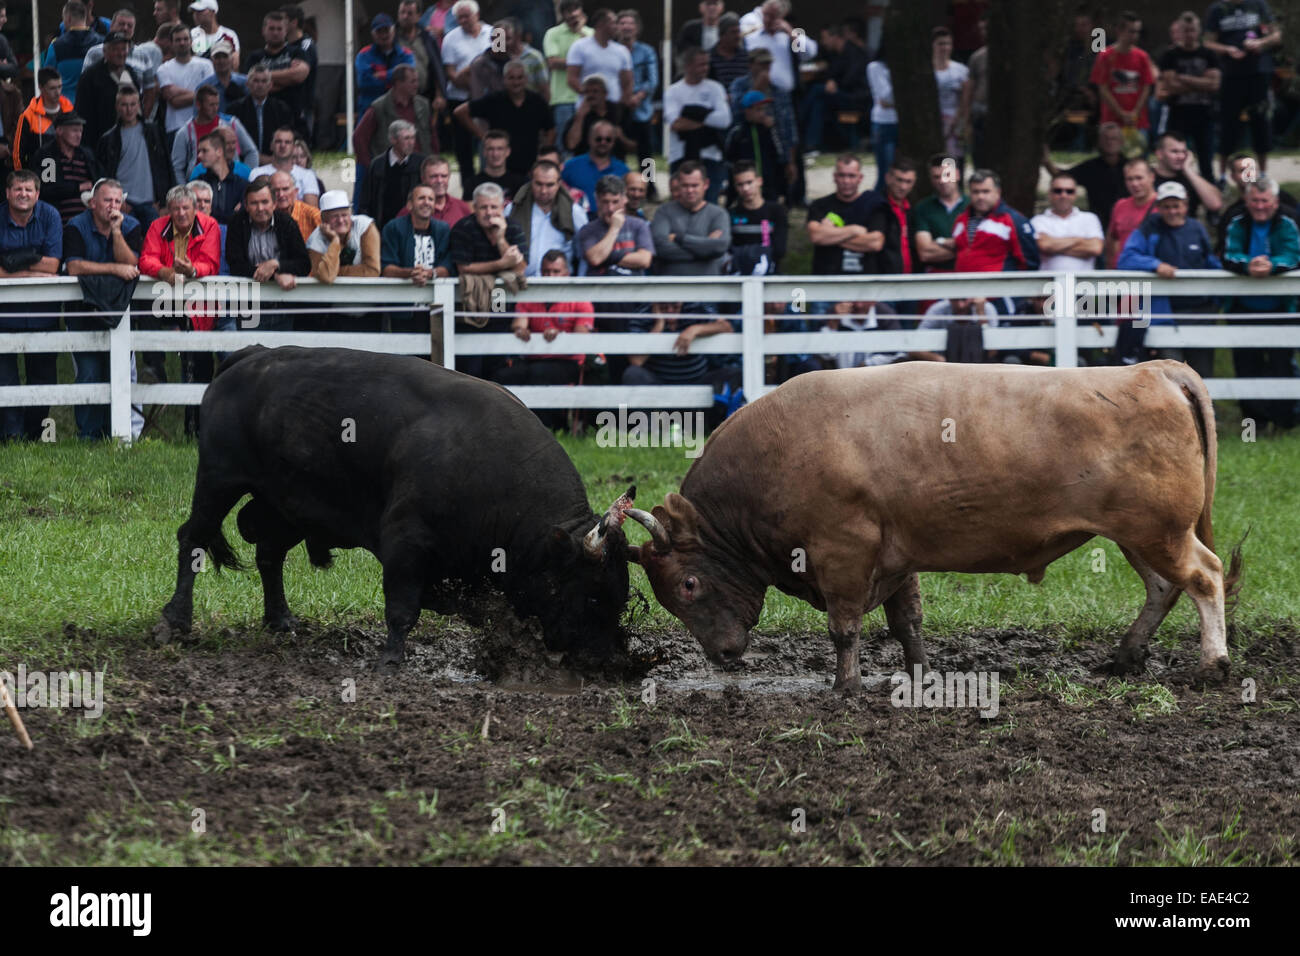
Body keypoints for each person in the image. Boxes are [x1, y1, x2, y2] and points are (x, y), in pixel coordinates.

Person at [62, 177, 143, 439]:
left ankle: (120, 433)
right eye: (107, 200)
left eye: (118, 201)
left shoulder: (130, 226)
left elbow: (132, 265)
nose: (113, 206)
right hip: (82, 312)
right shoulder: (75, 226)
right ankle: (89, 436)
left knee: (121, 370)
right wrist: (113, 269)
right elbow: (74, 266)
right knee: (88, 372)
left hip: (119, 313)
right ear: (93, 203)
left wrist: (117, 231)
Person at [1221, 175, 1299, 431]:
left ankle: (1284, 425)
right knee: (1246, 366)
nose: (1260, 206)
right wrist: (1248, 264)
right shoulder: (1236, 222)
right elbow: (1228, 253)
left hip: (1280, 307)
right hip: (1243, 307)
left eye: (1265, 201)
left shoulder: (1288, 222)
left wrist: (1273, 265)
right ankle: (1251, 429)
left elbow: (1293, 253)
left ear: (1275, 201)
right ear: (1246, 200)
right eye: (1255, 200)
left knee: (1281, 365)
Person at [1117, 181, 1221, 371]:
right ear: (1158, 207)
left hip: (1199, 310)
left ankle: (1204, 402)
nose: (1172, 211)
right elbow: (1126, 258)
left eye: (1176, 205)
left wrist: (1219, 296)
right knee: (1171, 372)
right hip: (1164, 312)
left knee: (1201, 369)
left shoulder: (1196, 228)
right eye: (1166, 206)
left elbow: (1210, 261)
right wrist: (1155, 265)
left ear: (1185, 206)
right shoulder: (1149, 228)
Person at [495, 248, 594, 430]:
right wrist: (520, 329)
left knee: (540, 374)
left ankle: (549, 428)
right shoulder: (531, 297)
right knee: (504, 376)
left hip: (568, 362)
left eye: (556, 272)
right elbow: (519, 323)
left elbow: (582, 338)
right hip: (534, 359)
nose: (551, 276)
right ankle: (511, 428)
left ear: (566, 273)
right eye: (547, 272)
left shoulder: (579, 299)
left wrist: (561, 335)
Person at [0, 169, 62, 441]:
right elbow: (44, 266)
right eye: (17, 189)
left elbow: (53, 264)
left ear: (37, 194)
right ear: (7, 193)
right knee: (4, 378)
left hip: (43, 314)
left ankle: (36, 436)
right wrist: (32, 268)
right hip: (4, 316)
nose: (23, 194)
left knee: (44, 377)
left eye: (28, 190)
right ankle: (10, 436)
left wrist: (11, 262)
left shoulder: (50, 216)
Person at [449, 181, 528, 379]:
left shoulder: (513, 227)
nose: (489, 212)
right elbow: (464, 268)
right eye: (483, 207)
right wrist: (502, 264)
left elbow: (520, 268)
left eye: (494, 207)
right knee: (471, 372)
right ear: (474, 208)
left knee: (499, 371)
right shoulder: (463, 228)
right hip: (471, 309)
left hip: (501, 305)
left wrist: (501, 238)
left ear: (502, 208)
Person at [1204, 0, 1281, 173]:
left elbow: (1276, 35)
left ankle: (1262, 175)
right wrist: (1227, 49)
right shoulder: (1218, 9)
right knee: (1228, 126)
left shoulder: (1259, 5)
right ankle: (1223, 176)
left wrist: (1260, 43)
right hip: (1231, 75)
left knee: (1261, 122)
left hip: (1258, 72)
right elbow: (1208, 42)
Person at [225, 176, 310, 329]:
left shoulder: (287, 223)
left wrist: (275, 264)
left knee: (283, 351)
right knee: (250, 351)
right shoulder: (237, 223)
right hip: (248, 302)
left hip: (282, 301)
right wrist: (274, 275)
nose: (260, 208)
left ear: (274, 204)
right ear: (246, 205)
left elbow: (304, 263)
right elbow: (235, 265)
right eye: (254, 203)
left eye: (265, 202)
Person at [96, 85, 172, 232]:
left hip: (152, 204)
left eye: (132, 104)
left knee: (156, 247)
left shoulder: (154, 132)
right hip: (124, 204)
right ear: (117, 106)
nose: (129, 109)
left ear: (139, 105)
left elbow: (166, 167)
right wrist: (117, 201)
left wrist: (164, 203)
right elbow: (103, 174)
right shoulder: (108, 139)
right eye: (124, 105)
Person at [457, 59, 554, 173]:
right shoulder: (494, 100)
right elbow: (460, 112)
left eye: (520, 77)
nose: (516, 82)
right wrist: (483, 137)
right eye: (511, 78)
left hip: (530, 165)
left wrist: (543, 155)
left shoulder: (537, 101)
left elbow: (551, 129)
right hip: (500, 166)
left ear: (526, 79)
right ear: (504, 80)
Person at [1158, 12, 1221, 179]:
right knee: (1175, 159)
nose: (1189, 34)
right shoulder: (1169, 56)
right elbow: (1171, 86)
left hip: (1204, 114)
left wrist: (1184, 78)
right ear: (1179, 31)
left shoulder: (1209, 55)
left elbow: (1214, 85)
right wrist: (1202, 83)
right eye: (1185, 30)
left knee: (1206, 159)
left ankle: (1209, 194)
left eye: (1192, 30)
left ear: (1198, 31)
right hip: (1178, 114)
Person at [665, 47, 731, 202]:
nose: (705, 68)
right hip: (680, 155)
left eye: (707, 64)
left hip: (711, 155)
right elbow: (675, 123)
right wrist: (707, 116)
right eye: (701, 65)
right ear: (688, 66)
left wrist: (692, 114)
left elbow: (724, 120)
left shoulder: (715, 88)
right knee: (681, 202)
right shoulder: (673, 91)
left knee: (710, 202)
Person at [624, 300, 735, 388]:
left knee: (734, 373)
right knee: (633, 374)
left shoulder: (695, 307)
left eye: (675, 305)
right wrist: (658, 325)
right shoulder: (643, 314)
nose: (670, 310)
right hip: (658, 383)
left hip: (697, 380)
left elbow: (726, 327)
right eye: (664, 307)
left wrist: (695, 330)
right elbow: (636, 361)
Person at [952, 169, 1040, 279]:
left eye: (986, 191)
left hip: (1000, 291)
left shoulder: (1013, 220)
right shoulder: (961, 219)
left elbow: (1029, 263)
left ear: (998, 192)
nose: (980, 197)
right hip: (961, 290)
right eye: (976, 192)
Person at [440, 1, 493, 180]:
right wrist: (473, 86)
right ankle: (468, 188)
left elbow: (503, 64)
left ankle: (492, 179)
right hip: (460, 97)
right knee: (464, 147)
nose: (463, 20)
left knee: (491, 141)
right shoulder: (450, 38)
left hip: (489, 96)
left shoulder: (496, 32)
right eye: (459, 18)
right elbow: (451, 74)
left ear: (477, 14)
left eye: (466, 16)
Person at [1042, 122, 1127, 233]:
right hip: (1100, 224)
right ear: (1099, 142)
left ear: (1121, 142)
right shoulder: (1090, 167)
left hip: (1127, 223)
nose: (1110, 142)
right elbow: (1062, 177)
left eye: (1113, 138)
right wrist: (1047, 161)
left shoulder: (1129, 168)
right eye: (1106, 138)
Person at [508, 157, 587, 276]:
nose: (543, 190)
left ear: (559, 184)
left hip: (560, 286)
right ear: (531, 181)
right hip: (520, 283)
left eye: (549, 185)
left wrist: (581, 283)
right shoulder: (513, 209)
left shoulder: (574, 212)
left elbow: (584, 252)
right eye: (538, 184)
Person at [806, 153, 878, 283]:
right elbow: (816, 236)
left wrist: (830, 235)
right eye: (842, 175)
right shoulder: (819, 205)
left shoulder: (873, 206)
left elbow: (875, 243)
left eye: (851, 176)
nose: (846, 181)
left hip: (863, 287)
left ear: (860, 178)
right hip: (826, 285)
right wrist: (854, 230)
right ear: (834, 177)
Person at [1088, 10, 1156, 149]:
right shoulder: (1105, 56)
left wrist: (1135, 112)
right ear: (1119, 31)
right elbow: (1103, 88)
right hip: (1112, 121)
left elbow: (1146, 87)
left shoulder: (1142, 56)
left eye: (1137, 32)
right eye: (1131, 31)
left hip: (1137, 121)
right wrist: (1121, 113)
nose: (1135, 36)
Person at [651, 161, 730, 277]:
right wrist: (705, 250)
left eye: (694, 185)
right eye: (685, 185)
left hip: (709, 287)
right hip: (669, 287)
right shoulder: (663, 212)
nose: (690, 190)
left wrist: (680, 238)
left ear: (706, 184)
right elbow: (660, 248)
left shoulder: (718, 214)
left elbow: (719, 247)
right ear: (678, 185)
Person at [243, 11, 312, 141]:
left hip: (294, 116)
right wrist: (288, 78)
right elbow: (252, 85)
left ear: (286, 31)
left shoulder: (297, 52)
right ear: (264, 30)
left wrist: (263, 78)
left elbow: (299, 75)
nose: (275, 32)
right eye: (271, 28)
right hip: (264, 117)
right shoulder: (254, 57)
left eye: (279, 29)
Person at [170, 84, 257, 184]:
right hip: (198, 183)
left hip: (230, 181)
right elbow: (177, 167)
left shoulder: (231, 123)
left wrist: (244, 176)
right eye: (211, 105)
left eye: (217, 104)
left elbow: (252, 151)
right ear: (198, 105)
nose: (215, 108)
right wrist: (185, 191)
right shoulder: (185, 132)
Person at [355, 64, 435, 171]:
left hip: (419, 168)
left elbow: (433, 137)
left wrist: (433, 162)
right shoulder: (379, 107)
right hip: (390, 170)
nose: (417, 85)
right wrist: (371, 166)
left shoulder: (423, 105)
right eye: (412, 81)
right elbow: (359, 137)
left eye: (417, 81)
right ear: (398, 83)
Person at [576, 172, 653, 277]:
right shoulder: (588, 229)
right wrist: (614, 228)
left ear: (624, 199)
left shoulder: (639, 225)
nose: (610, 208)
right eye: (605, 202)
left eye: (615, 202)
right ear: (597, 201)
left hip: (632, 289)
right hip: (598, 290)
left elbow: (644, 260)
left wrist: (606, 256)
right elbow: (595, 259)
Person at [77, 31, 145, 147]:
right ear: (105, 52)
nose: (121, 53)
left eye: (124, 49)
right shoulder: (90, 77)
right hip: (101, 143)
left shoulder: (131, 73)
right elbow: (82, 114)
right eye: (115, 49)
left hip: (130, 141)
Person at [32, 112, 101, 225]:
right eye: (74, 130)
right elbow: (48, 189)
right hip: (58, 223)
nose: (79, 135)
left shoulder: (87, 155)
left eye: (80, 131)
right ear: (59, 131)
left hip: (89, 223)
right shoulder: (48, 156)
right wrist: (78, 188)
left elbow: (100, 181)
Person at [542, 0, 591, 151]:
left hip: (587, 98)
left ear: (582, 11)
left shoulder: (591, 34)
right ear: (563, 15)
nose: (573, 14)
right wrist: (580, 61)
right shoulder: (552, 33)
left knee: (588, 141)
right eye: (568, 11)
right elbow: (553, 62)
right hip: (563, 99)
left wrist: (581, 33)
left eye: (576, 9)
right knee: (563, 144)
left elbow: (593, 58)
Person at [381, 183, 453, 285]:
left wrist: (430, 273)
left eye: (431, 199)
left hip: (436, 295)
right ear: (409, 205)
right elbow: (387, 269)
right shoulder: (393, 228)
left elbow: (447, 268)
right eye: (421, 198)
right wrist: (411, 273)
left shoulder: (443, 229)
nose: (426, 202)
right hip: (402, 295)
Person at [1030, 172, 1104, 273]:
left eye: (1069, 191)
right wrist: (1079, 240)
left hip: (1084, 285)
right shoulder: (1037, 221)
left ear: (1075, 194)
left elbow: (1095, 248)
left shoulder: (1090, 218)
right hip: (1047, 285)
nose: (1063, 195)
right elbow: (1044, 246)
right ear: (1050, 193)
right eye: (1058, 191)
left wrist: (1054, 247)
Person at [724, 90, 788, 203]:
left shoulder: (769, 129)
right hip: (745, 187)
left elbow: (779, 155)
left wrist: (771, 129)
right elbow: (729, 160)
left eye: (764, 109)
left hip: (768, 185)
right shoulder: (738, 132)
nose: (763, 113)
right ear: (747, 111)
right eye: (758, 109)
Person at [359, 119, 426, 226]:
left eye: (413, 138)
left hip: (412, 225)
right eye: (406, 138)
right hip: (382, 225)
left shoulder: (421, 163)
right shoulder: (377, 165)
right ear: (393, 140)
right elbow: (366, 200)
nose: (411, 143)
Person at [617, 8, 656, 185]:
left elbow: (653, 80)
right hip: (618, 108)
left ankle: (649, 186)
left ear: (637, 28)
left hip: (641, 109)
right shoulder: (613, 50)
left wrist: (637, 96)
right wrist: (623, 97)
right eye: (622, 23)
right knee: (618, 150)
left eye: (630, 23)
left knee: (646, 153)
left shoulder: (647, 51)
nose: (626, 27)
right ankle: (619, 184)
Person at [308, 190, 381, 284]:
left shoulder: (365, 227)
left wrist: (335, 271)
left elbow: (372, 271)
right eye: (334, 216)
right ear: (323, 220)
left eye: (344, 215)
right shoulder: (315, 240)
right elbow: (327, 276)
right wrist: (335, 241)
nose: (341, 220)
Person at [565, 8, 632, 108]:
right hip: (587, 107)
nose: (617, 27)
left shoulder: (622, 51)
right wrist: (591, 97)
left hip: (613, 108)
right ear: (601, 24)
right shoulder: (579, 47)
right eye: (613, 23)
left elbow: (627, 83)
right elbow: (572, 79)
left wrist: (622, 106)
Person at [727, 160, 786, 274]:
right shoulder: (731, 213)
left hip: (770, 275)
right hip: (738, 275)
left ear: (759, 181)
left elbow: (780, 250)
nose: (745, 188)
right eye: (740, 184)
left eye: (749, 182)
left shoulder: (776, 211)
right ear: (735, 186)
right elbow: (728, 249)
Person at [467, 17, 548, 101]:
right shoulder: (480, 64)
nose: (503, 43)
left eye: (508, 39)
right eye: (499, 38)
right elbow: (477, 95)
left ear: (514, 40)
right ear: (492, 39)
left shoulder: (516, 62)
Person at [914, 152, 968, 272]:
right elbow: (925, 253)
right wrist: (963, 248)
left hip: (970, 275)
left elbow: (984, 248)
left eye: (947, 175)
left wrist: (939, 241)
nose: (942, 181)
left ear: (958, 175)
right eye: (936, 177)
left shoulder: (973, 205)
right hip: (937, 276)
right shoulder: (923, 208)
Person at [1152, 130, 1222, 222]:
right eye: (1174, 151)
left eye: (1183, 152)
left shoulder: (1191, 178)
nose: (1181, 156)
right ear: (1159, 154)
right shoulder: (1147, 177)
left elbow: (1215, 204)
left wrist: (1188, 170)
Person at [158, 24, 215, 135]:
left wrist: (179, 91)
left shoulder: (206, 65)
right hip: (175, 128)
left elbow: (211, 97)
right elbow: (175, 102)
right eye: (178, 40)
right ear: (171, 43)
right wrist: (202, 95)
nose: (182, 43)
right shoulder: (163, 69)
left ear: (191, 41)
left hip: (203, 126)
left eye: (185, 39)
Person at [865, 156, 918, 275]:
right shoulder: (875, 205)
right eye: (899, 180)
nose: (903, 187)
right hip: (883, 281)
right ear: (888, 178)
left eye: (908, 181)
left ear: (914, 183)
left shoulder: (912, 210)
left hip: (910, 281)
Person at [12, 69, 74, 170]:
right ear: (41, 87)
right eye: (52, 88)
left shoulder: (70, 111)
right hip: (40, 174)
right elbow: (18, 153)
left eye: (60, 87)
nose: (58, 92)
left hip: (66, 173)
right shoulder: (28, 116)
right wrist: (23, 177)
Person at [43, 1, 101, 106]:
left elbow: (46, 76)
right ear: (85, 16)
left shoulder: (56, 46)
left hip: (65, 107)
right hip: (93, 105)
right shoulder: (100, 43)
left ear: (68, 18)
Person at [230, 64, 292, 162]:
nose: (260, 85)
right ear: (248, 84)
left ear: (270, 85)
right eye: (256, 81)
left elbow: (288, 137)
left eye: (264, 81)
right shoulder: (235, 109)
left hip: (275, 162)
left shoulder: (281, 109)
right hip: (244, 162)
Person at [561, 119, 628, 209]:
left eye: (608, 139)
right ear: (589, 139)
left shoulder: (623, 170)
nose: (603, 142)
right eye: (598, 139)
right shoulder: (570, 166)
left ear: (613, 142)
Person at [562, 74, 634, 158]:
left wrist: (621, 138)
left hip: (615, 164)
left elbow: (634, 147)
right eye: (586, 92)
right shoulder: (579, 115)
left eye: (595, 91)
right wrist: (579, 118)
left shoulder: (620, 112)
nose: (590, 95)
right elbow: (571, 145)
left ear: (605, 94)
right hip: (586, 165)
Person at [356, 13, 414, 114]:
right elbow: (364, 83)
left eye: (386, 30)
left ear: (394, 30)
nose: (383, 35)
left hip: (399, 109)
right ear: (372, 34)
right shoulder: (363, 54)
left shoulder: (406, 54)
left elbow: (409, 79)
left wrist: (381, 75)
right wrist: (395, 80)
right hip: (370, 109)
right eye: (379, 31)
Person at [1104, 157, 1157, 267]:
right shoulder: (1120, 206)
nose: (1134, 184)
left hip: (1153, 273)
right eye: (1129, 179)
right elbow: (1112, 240)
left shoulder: (1164, 206)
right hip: (1123, 274)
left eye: (1139, 178)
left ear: (1152, 177)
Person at [396, 0, 449, 111]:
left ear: (418, 16)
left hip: (426, 97)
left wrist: (439, 95)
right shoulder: (393, 39)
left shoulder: (427, 38)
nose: (405, 16)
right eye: (402, 13)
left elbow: (437, 69)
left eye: (410, 13)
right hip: (399, 99)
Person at [248, 125, 320, 206]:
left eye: (287, 142)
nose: (283, 145)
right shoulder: (256, 173)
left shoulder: (307, 175)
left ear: (293, 147)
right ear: (271, 145)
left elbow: (311, 210)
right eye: (278, 141)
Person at [931, 27, 970, 165]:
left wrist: (959, 122)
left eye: (948, 44)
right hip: (932, 122)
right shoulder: (926, 70)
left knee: (950, 160)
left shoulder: (961, 70)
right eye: (941, 43)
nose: (945, 47)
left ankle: (952, 185)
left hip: (954, 122)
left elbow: (965, 99)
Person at [192, 130, 247, 223]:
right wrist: (232, 214)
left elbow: (242, 217)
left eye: (204, 151)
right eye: (199, 151)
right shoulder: (198, 184)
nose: (199, 155)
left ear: (219, 151)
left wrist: (210, 213)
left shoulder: (242, 185)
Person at [460, 129, 525, 201]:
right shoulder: (471, 184)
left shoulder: (520, 183)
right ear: (484, 152)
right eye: (491, 149)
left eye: (500, 149)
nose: (495, 154)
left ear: (508, 151)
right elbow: (469, 210)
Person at [865, 54, 896, 191]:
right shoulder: (875, 67)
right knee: (886, 171)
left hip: (901, 122)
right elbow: (885, 97)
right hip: (885, 122)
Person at [269, 168, 319, 242]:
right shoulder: (266, 215)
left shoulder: (313, 215)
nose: (281, 194)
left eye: (285, 189)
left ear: (295, 192)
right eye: (276, 190)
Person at [197, 40, 246, 113]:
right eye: (217, 57)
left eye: (225, 56)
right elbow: (197, 118)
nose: (221, 61)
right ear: (211, 60)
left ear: (232, 58)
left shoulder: (246, 83)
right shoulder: (203, 87)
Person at [187, 0, 239, 67]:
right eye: (194, 11)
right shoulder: (191, 34)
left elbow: (235, 65)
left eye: (200, 10)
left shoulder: (229, 35)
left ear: (213, 11)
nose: (195, 14)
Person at [707, 13, 748, 95]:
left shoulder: (746, 57)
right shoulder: (708, 57)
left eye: (738, 31)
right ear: (722, 35)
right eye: (733, 32)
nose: (737, 36)